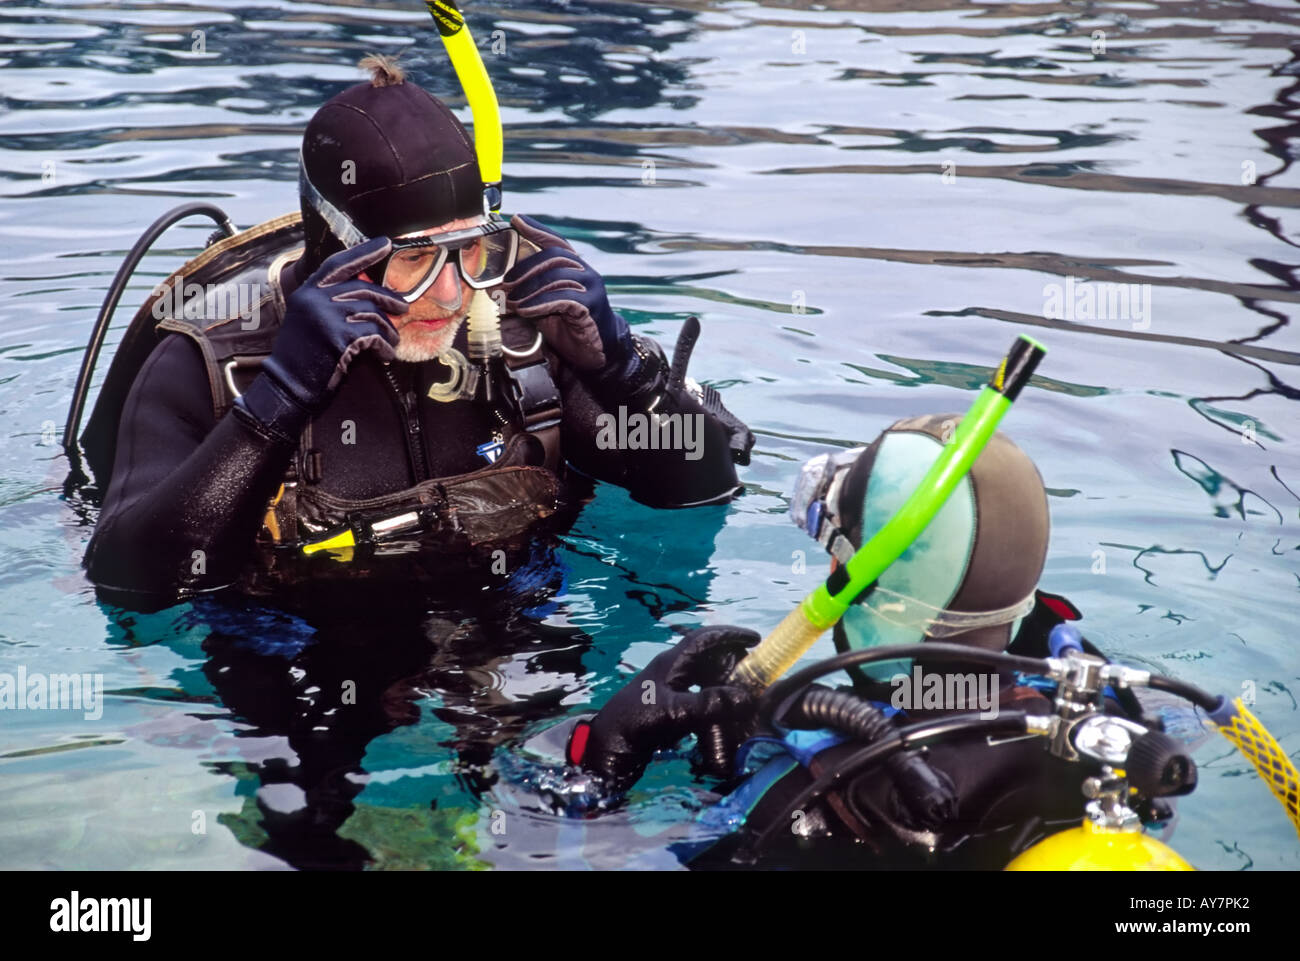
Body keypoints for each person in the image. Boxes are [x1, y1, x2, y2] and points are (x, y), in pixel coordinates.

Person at [81, 56, 753, 611]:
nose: (453, 291)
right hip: (294, 658)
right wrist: (276, 402)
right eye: (412, 257)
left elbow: (697, 494)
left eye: (469, 250)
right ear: (333, 244)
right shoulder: (208, 364)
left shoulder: (521, 341)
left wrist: (624, 373)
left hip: (511, 640)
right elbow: (132, 581)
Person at [543, 414, 1168, 868]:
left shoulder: (809, 799)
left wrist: (599, 765)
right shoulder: (1103, 712)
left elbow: (576, 859)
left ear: (866, 586)